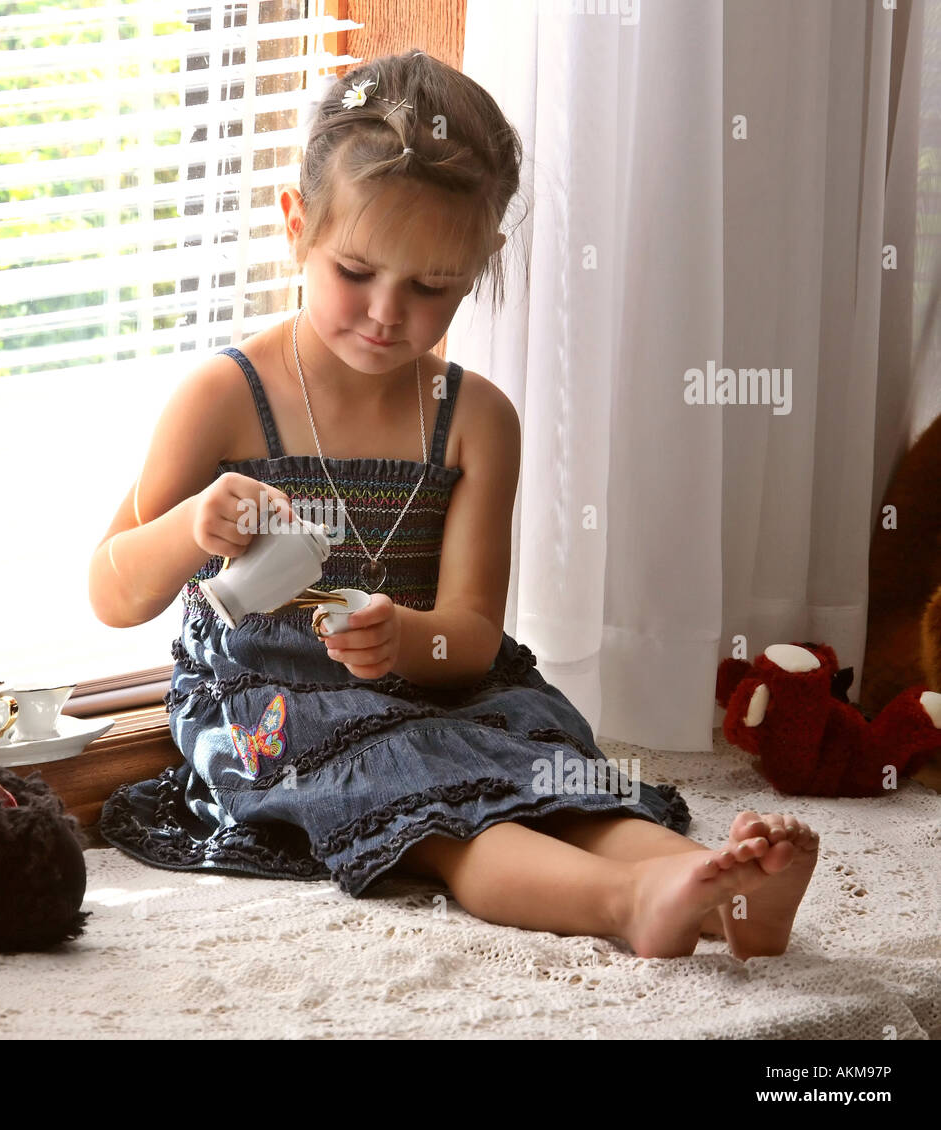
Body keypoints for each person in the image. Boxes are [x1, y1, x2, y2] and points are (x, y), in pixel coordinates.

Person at [88, 50, 819, 959]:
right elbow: (114, 592)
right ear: (296, 227)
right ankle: (631, 903)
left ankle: (715, 885)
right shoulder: (226, 396)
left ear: (479, 266)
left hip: (440, 687)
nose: (387, 313)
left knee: (553, 777)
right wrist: (189, 525)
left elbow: (472, 630)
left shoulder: (475, 420)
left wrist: (408, 640)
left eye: (432, 287)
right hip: (282, 711)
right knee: (444, 819)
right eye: (356, 270)